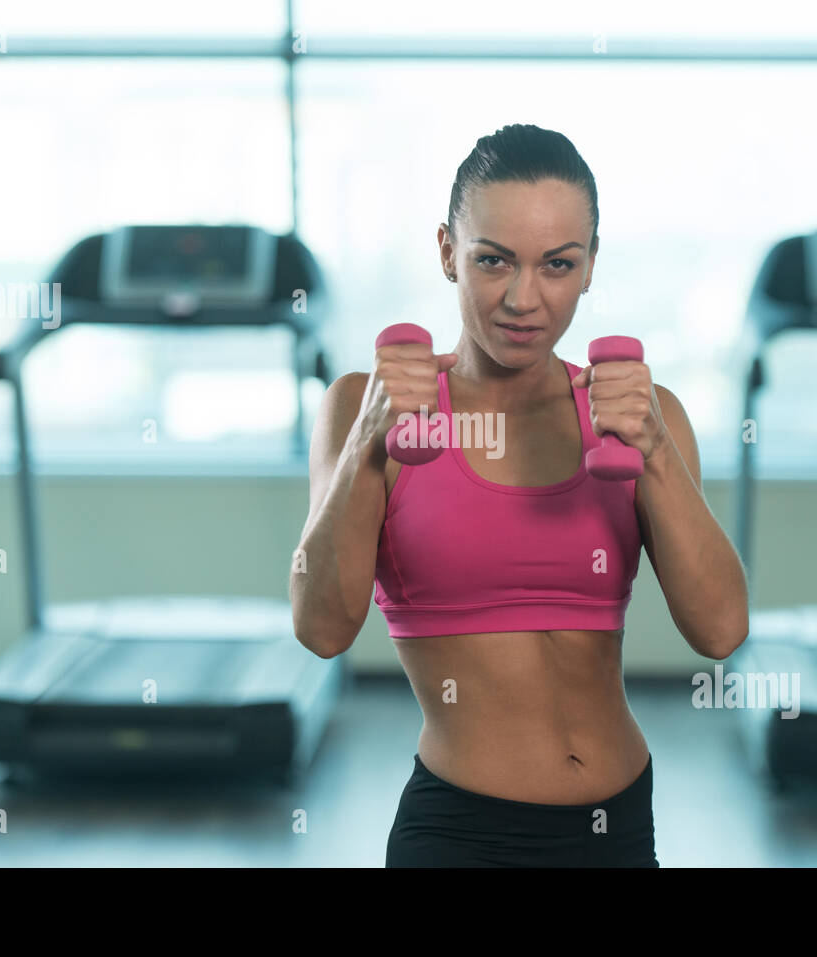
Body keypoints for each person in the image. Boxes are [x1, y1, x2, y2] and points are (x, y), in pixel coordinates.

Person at [290, 123, 749, 867]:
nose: (523, 298)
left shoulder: (639, 414)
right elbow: (321, 629)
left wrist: (656, 450)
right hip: (459, 833)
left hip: (619, 826)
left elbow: (722, 630)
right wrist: (365, 447)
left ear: (591, 264)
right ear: (448, 252)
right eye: (493, 260)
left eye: (557, 264)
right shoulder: (365, 405)